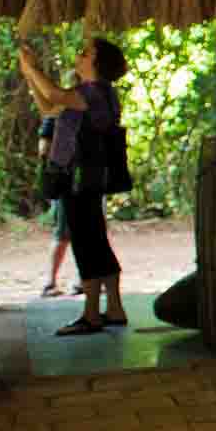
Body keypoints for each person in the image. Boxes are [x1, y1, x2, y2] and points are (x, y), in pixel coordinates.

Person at [19, 37, 129, 336]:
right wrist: (30, 74)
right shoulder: (92, 94)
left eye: (85, 53)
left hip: (80, 179)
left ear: (97, 63)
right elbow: (48, 106)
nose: (79, 56)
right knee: (96, 240)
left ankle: (92, 314)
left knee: (85, 243)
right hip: (88, 179)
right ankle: (114, 308)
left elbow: (53, 93)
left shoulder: (92, 93)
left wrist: (34, 68)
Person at [35, 109, 71, 296]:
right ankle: (50, 282)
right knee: (63, 234)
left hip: (74, 180)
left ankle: (83, 281)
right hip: (66, 182)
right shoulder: (56, 115)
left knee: (74, 234)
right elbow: (44, 149)